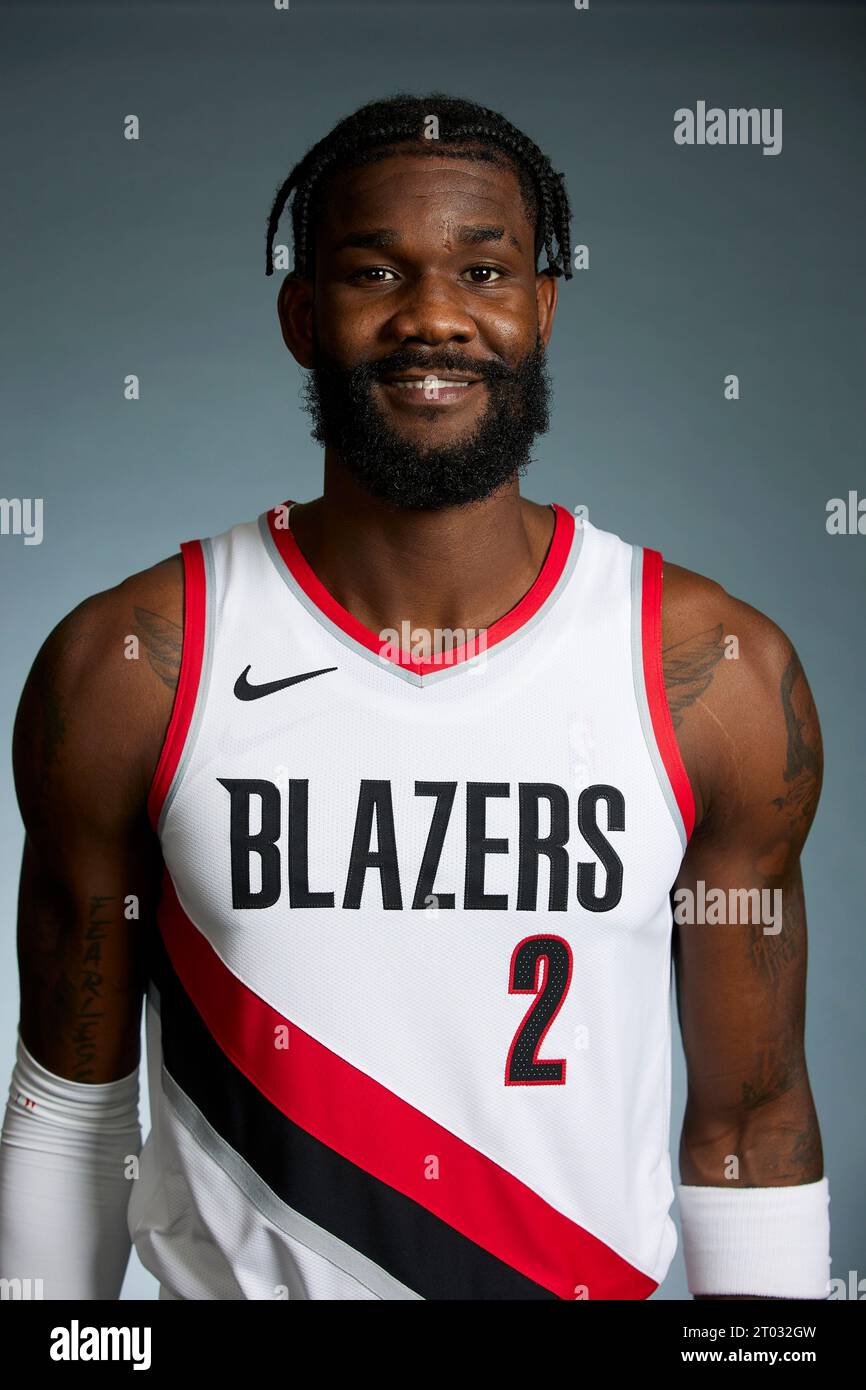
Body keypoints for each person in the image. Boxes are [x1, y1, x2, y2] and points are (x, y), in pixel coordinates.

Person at [0, 93, 829, 1300]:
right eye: (374, 271)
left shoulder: (713, 676)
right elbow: (73, 1115)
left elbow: (748, 1125)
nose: (432, 315)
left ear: (541, 308)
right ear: (302, 316)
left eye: (483, 270)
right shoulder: (131, 665)